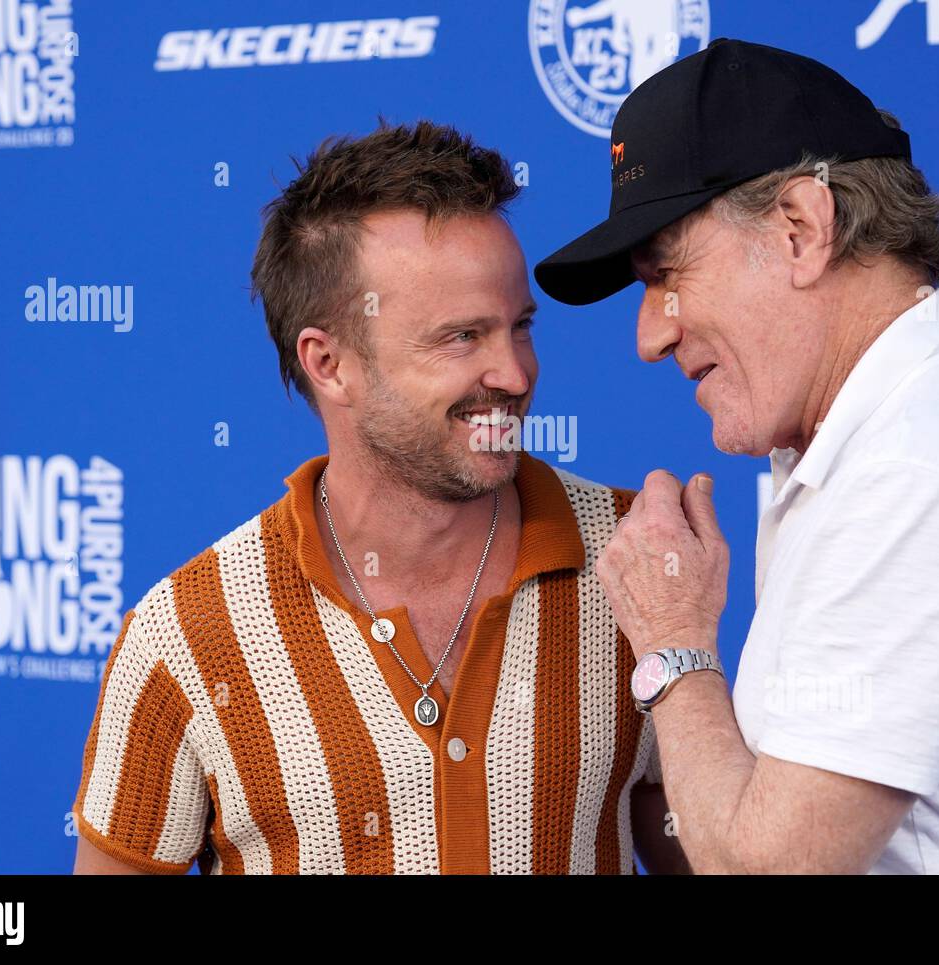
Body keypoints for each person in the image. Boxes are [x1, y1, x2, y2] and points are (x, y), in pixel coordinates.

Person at [534, 39, 939, 873]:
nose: (650, 333)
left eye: (665, 273)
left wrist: (673, 647)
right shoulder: (883, 449)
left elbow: (766, 868)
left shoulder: (916, 480)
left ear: (801, 230)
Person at [72, 120, 685, 875]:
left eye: (519, 327)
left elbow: (717, 853)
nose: (516, 375)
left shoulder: (641, 563)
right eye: (462, 337)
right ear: (329, 363)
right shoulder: (185, 635)